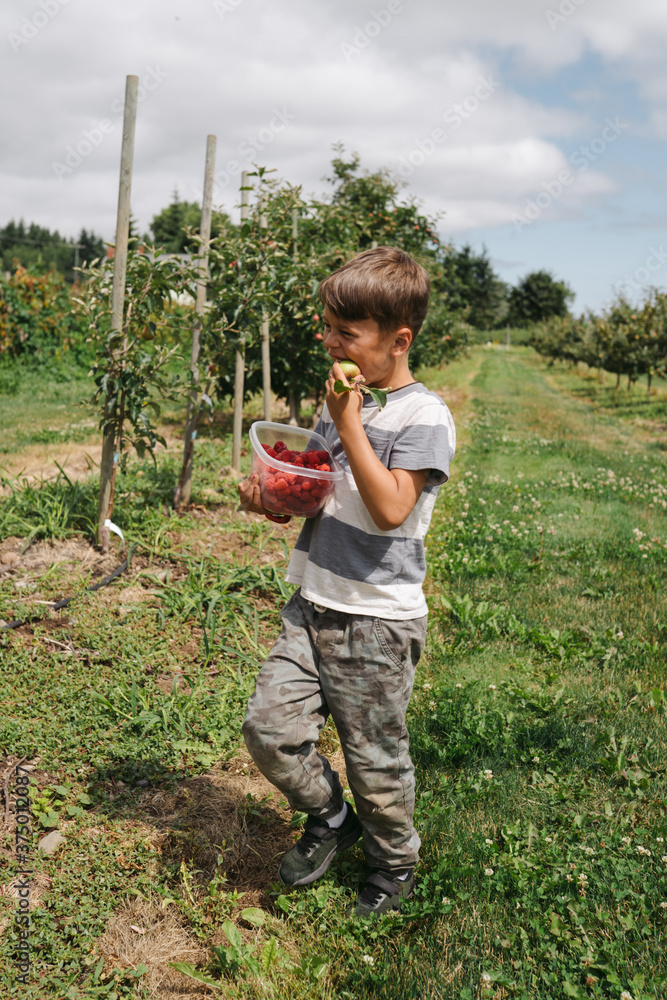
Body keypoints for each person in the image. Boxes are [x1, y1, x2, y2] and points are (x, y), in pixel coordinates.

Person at [238, 246, 456, 916]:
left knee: (376, 762)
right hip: (312, 602)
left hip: (377, 622)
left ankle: (393, 863)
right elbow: (318, 490)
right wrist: (275, 496)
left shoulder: (424, 417)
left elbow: (391, 508)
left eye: (346, 333)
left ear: (398, 340)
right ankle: (330, 817)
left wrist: (349, 421)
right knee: (268, 728)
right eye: (327, 328)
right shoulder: (342, 402)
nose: (331, 342)